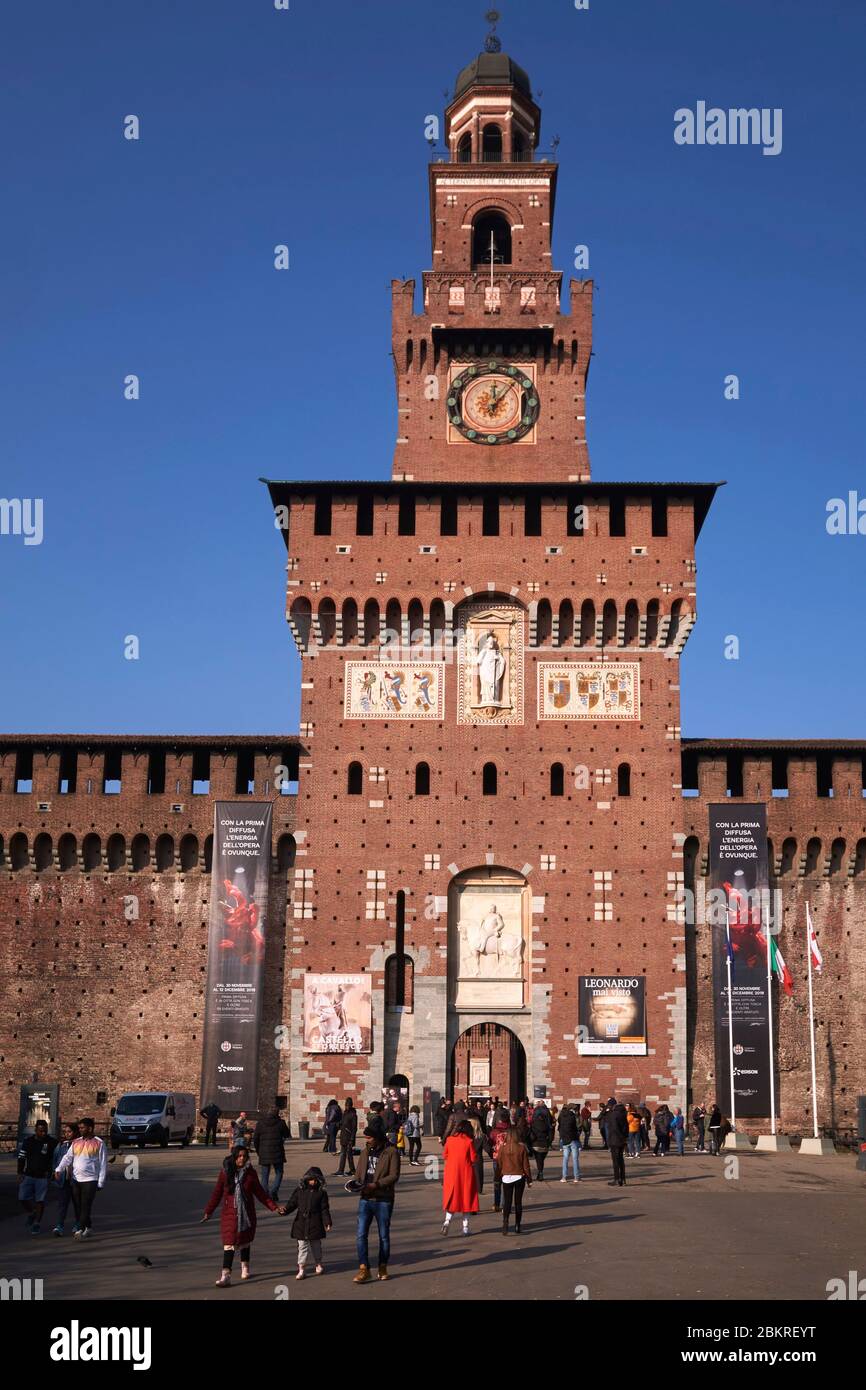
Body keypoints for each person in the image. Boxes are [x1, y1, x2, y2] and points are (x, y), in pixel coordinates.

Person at [202, 1145, 284, 1287]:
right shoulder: (225, 1173)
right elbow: (217, 1194)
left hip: (247, 1214)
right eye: (239, 1156)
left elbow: (260, 1193)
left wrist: (274, 1207)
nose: (242, 1159)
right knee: (229, 1244)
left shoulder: (250, 1174)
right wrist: (209, 1211)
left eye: (244, 1156)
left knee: (244, 1241)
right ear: (234, 1157)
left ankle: (245, 1267)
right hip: (229, 1213)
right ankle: (225, 1276)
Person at [351, 1120, 400, 1283]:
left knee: (384, 1236)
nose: (367, 1140)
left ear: (377, 1137)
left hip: (383, 1199)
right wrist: (356, 1184)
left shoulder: (391, 1152)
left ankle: (382, 1265)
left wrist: (376, 1184)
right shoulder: (365, 1152)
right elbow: (359, 1173)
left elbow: (394, 1176)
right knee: (360, 1234)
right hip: (365, 1199)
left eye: (369, 1137)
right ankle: (364, 1268)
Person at [54, 1117, 107, 1238]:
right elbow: (68, 1157)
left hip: (91, 1179)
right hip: (76, 1179)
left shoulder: (99, 1142)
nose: (80, 1130)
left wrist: (101, 1182)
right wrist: (59, 1169)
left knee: (85, 1205)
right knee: (78, 1205)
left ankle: (80, 1229)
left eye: (82, 1128)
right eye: (79, 1128)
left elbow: (103, 1163)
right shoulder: (76, 1142)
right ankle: (88, 1227)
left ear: (90, 1128)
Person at [284, 1165, 331, 1279]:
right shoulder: (299, 1190)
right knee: (302, 1247)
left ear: (319, 1181)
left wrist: (327, 1222)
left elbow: (324, 1209)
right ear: (306, 1179)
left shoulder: (321, 1193)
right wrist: (285, 1210)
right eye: (311, 1179)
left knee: (316, 1246)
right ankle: (301, 1268)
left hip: (315, 1223)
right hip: (301, 1223)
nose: (313, 1182)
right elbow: (292, 1203)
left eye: (315, 1180)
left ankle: (318, 1263)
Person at [18, 1119, 57, 1235]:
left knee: (40, 1200)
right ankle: (32, 1212)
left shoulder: (52, 1142)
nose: (43, 1133)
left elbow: (56, 1159)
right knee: (22, 1198)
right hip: (28, 1174)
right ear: (35, 1130)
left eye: (45, 1131)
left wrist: (53, 1172)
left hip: (43, 1176)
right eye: (40, 1131)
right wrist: (20, 1172)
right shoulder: (28, 1141)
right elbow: (21, 1157)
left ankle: (37, 1224)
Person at [441, 1120, 479, 1236]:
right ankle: (465, 1228)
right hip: (466, 1173)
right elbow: (473, 1158)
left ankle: (447, 1221)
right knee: (466, 1200)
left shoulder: (449, 1140)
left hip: (451, 1173)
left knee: (452, 1199)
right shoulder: (468, 1142)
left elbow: (445, 1155)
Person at [498, 1124, 532, 1234]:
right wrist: (529, 1179)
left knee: (507, 1202)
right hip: (519, 1176)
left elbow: (499, 1163)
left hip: (506, 1176)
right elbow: (526, 1165)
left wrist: (499, 1175)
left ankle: (505, 1222)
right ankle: (518, 1225)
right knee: (518, 1202)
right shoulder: (521, 1148)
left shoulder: (502, 1148)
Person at [252, 1105, 290, 1199]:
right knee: (279, 1172)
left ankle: (265, 1193)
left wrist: (258, 1151)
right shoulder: (281, 1123)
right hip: (277, 1150)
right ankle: (274, 1191)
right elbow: (287, 1134)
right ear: (277, 1114)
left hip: (264, 1151)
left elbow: (256, 1139)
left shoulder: (260, 1123)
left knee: (265, 1174)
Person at [52, 1122, 79, 1235]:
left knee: (77, 1203)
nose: (67, 1134)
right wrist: (55, 1172)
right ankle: (60, 1226)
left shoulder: (80, 1144)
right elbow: (55, 1160)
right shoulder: (62, 1145)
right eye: (65, 1132)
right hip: (64, 1179)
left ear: (75, 1132)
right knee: (62, 1204)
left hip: (76, 1179)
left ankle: (78, 1224)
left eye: (69, 1132)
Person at [489, 1108, 510, 1212]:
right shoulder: (511, 1131)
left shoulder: (494, 1132)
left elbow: (490, 1143)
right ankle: (505, 1204)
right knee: (507, 1182)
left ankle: (496, 1204)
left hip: (497, 1158)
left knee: (497, 1181)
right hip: (508, 1158)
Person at [606, 1099, 628, 1187]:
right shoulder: (624, 1114)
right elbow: (626, 1128)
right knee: (621, 1160)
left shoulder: (613, 1115)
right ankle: (623, 1178)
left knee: (615, 1161)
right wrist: (624, 1137)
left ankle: (617, 1179)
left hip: (615, 1140)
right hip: (622, 1140)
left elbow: (613, 1128)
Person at [529, 1100, 553, 1180]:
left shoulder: (534, 1120)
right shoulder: (547, 1121)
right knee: (541, 1159)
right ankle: (540, 1172)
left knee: (538, 1159)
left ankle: (540, 1172)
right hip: (545, 1143)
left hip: (536, 1143)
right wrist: (549, 1141)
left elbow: (531, 1130)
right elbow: (550, 1129)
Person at [558, 1103, 581, 1183]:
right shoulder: (572, 1117)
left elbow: (560, 1127)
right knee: (575, 1159)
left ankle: (564, 1177)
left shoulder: (561, 1115)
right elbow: (574, 1129)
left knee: (565, 1159)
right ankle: (576, 1177)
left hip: (564, 1139)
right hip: (572, 1139)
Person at [337, 1098, 358, 1175]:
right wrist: (339, 1124)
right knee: (343, 1154)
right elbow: (343, 1123)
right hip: (343, 1136)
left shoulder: (353, 1114)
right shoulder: (345, 1113)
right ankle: (341, 1170)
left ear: (351, 1105)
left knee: (349, 1155)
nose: (347, 1106)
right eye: (346, 1105)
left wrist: (352, 1138)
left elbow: (354, 1128)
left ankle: (352, 1170)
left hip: (349, 1137)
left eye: (348, 1105)